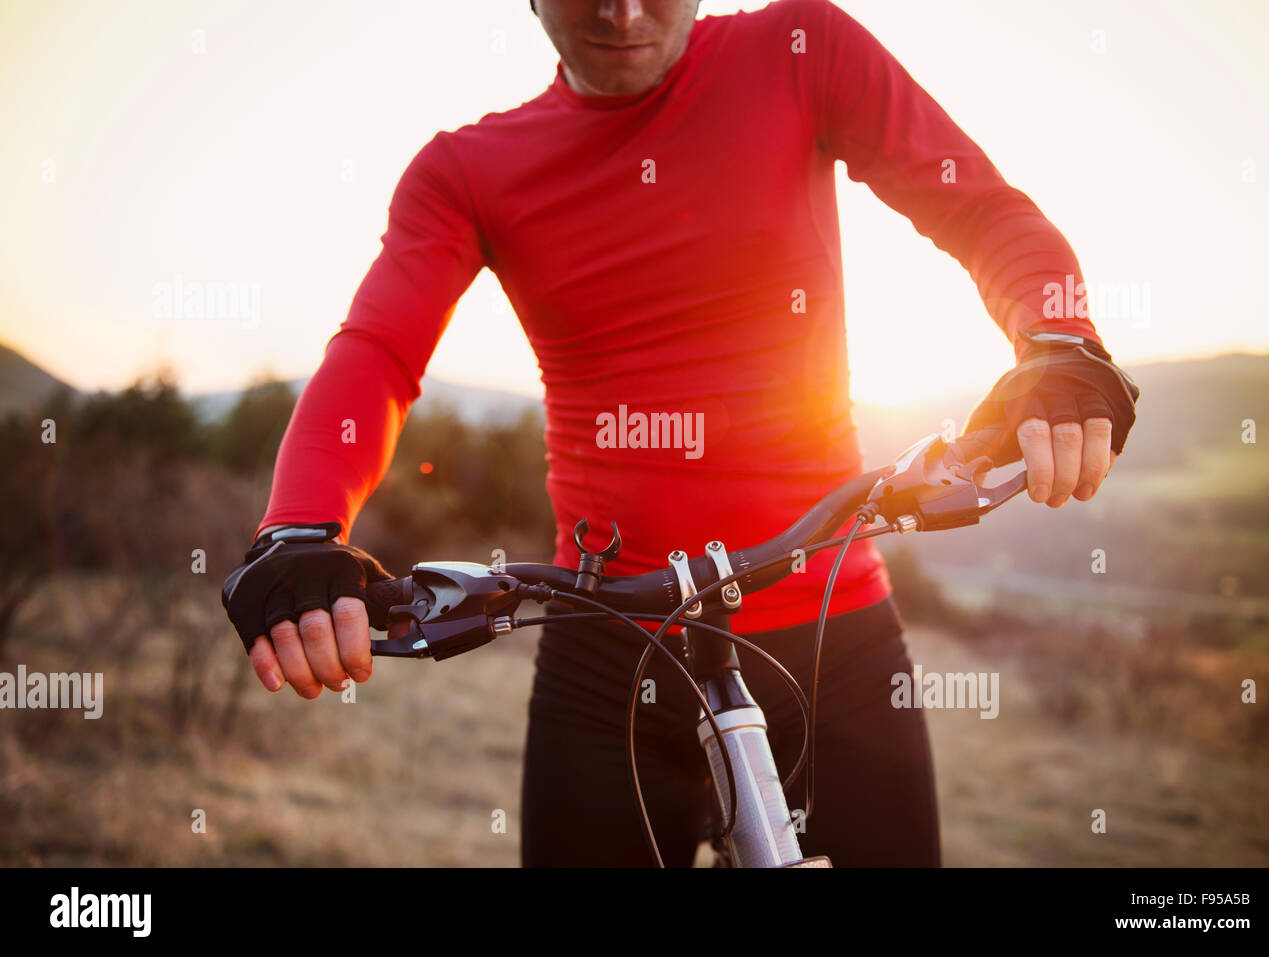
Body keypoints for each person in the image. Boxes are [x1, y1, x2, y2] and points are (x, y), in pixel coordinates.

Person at [222, 0, 1138, 867]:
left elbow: (978, 205)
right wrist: (301, 526)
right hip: (605, 641)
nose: (622, 13)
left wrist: (1056, 341)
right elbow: (380, 350)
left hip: (833, 632)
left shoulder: (803, 50)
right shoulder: (465, 169)